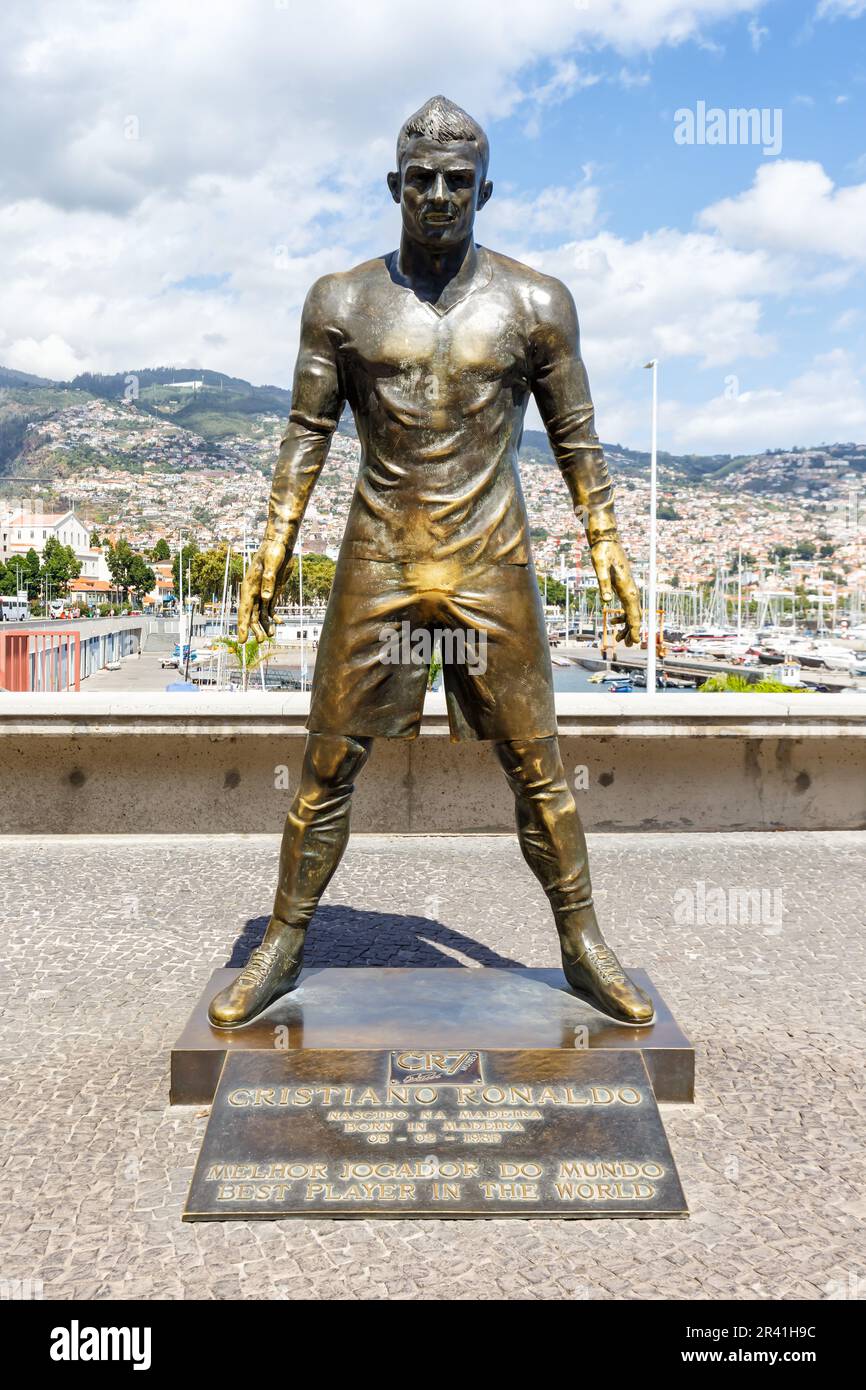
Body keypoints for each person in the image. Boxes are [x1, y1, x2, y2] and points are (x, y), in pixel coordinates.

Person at [209, 96, 652, 1029]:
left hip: (491, 562)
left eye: (458, 181)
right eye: (421, 180)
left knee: (539, 767)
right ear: (393, 186)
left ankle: (582, 944)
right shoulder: (341, 300)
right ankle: (285, 938)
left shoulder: (538, 302)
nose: (439, 196)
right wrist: (269, 548)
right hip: (378, 559)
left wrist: (608, 544)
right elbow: (306, 433)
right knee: (328, 764)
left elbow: (578, 437)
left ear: (485, 188)